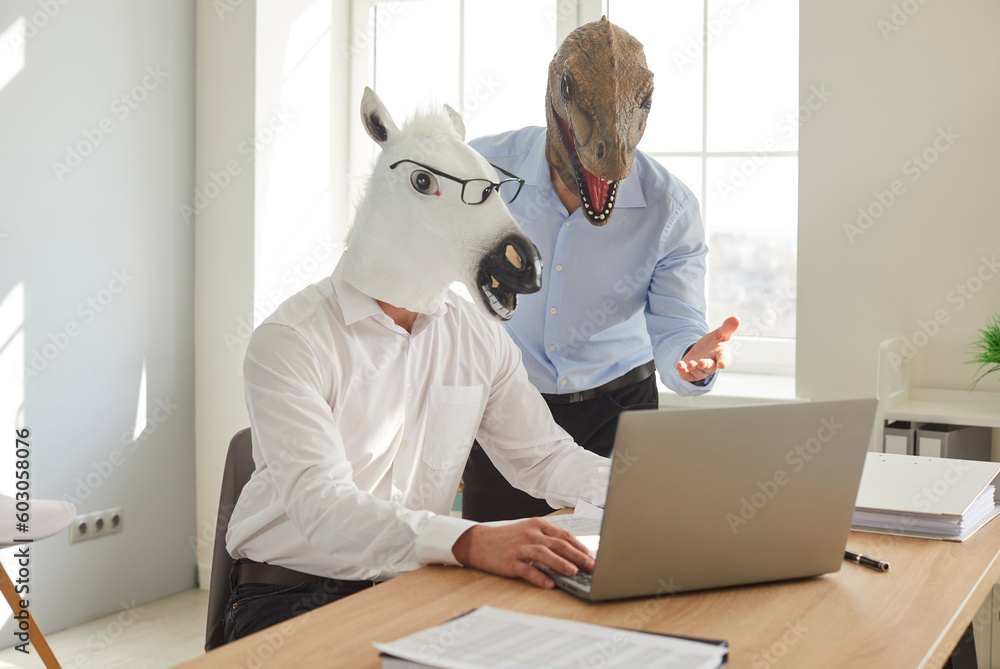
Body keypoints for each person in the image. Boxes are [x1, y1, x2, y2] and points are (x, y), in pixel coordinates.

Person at [221, 88, 609, 643]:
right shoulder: (289, 342)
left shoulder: (477, 335)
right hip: (289, 594)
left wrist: (635, 487)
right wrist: (470, 541)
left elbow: (541, 458)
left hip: (419, 583)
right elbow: (322, 507)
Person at [462, 17, 740, 522]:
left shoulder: (670, 206)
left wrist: (691, 359)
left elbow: (677, 326)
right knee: (491, 576)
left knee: (621, 567)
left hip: (620, 413)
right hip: (507, 411)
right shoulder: (478, 170)